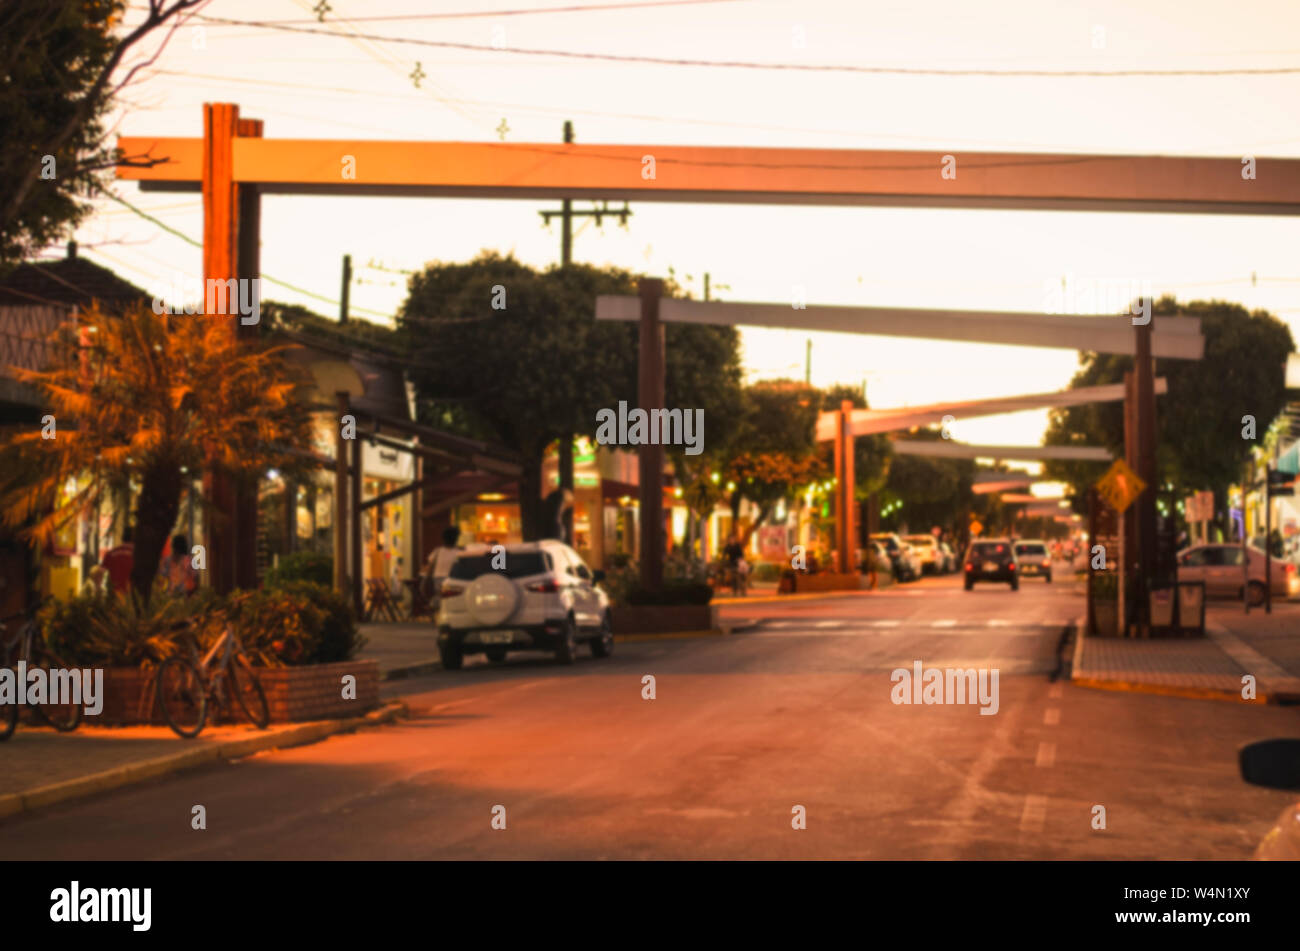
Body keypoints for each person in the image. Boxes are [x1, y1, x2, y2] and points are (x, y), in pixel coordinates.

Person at [422, 526, 464, 615]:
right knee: (450, 599)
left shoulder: (437, 551)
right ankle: (445, 613)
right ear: (456, 539)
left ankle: (437, 609)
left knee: (440, 596)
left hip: (438, 578)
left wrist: (427, 578)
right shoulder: (459, 552)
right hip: (452, 579)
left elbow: (430, 566)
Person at [101, 525, 135, 596]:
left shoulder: (112, 553)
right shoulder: (139, 554)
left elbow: (100, 573)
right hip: (133, 596)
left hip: (114, 594)